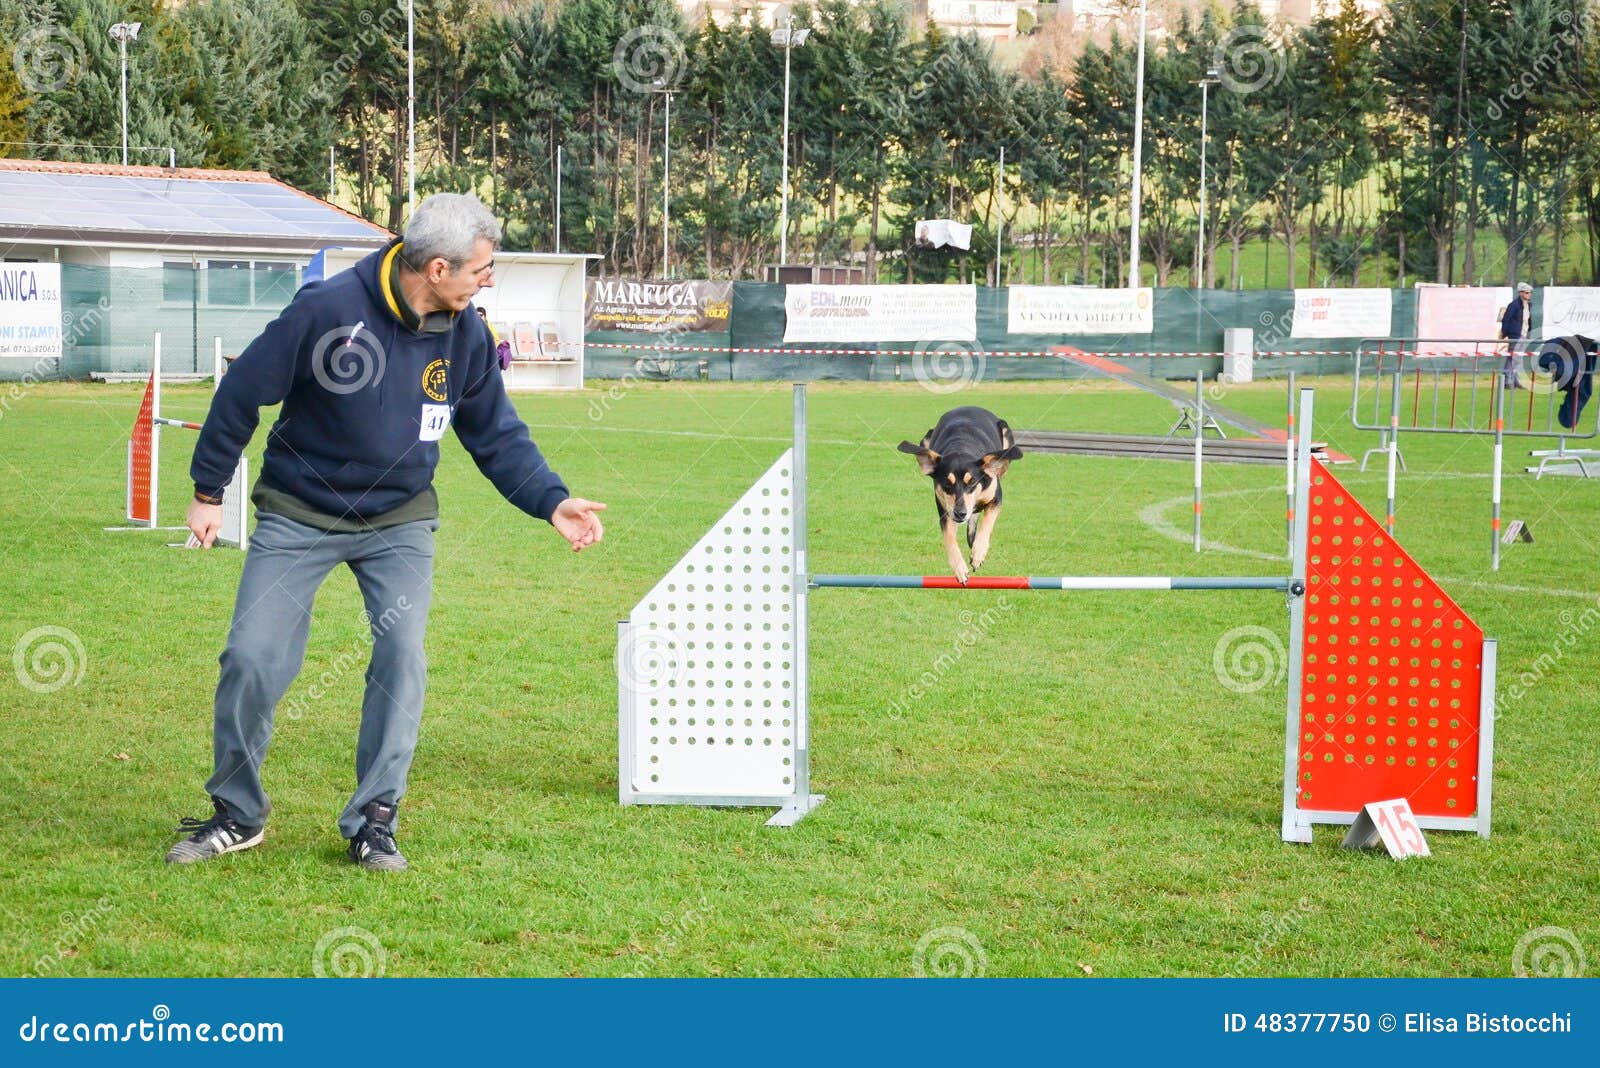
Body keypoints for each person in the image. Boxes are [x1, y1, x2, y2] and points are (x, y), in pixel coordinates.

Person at [167, 193, 605, 871]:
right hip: (299, 510)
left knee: (402, 653)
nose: (487, 280)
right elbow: (241, 392)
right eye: (479, 270)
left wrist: (552, 502)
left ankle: (374, 820)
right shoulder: (326, 310)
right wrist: (206, 491)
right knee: (252, 658)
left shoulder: (466, 336)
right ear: (435, 268)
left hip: (399, 518)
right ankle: (238, 812)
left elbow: (496, 435)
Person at [1498, 282, 1533, 389]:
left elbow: (1527, 320)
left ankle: (1516, 380)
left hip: (1524, 335)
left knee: (1518, 359)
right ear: (1521, 293)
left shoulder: (1528, 305)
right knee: (1512, 358)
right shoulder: (1514, 305)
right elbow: (1506, 320)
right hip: (1515, 335)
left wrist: (1528, 332)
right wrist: (1505, 333)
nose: (1529, 294)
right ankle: (1507, 380)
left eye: (1530, 292)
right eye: (1527, 292)